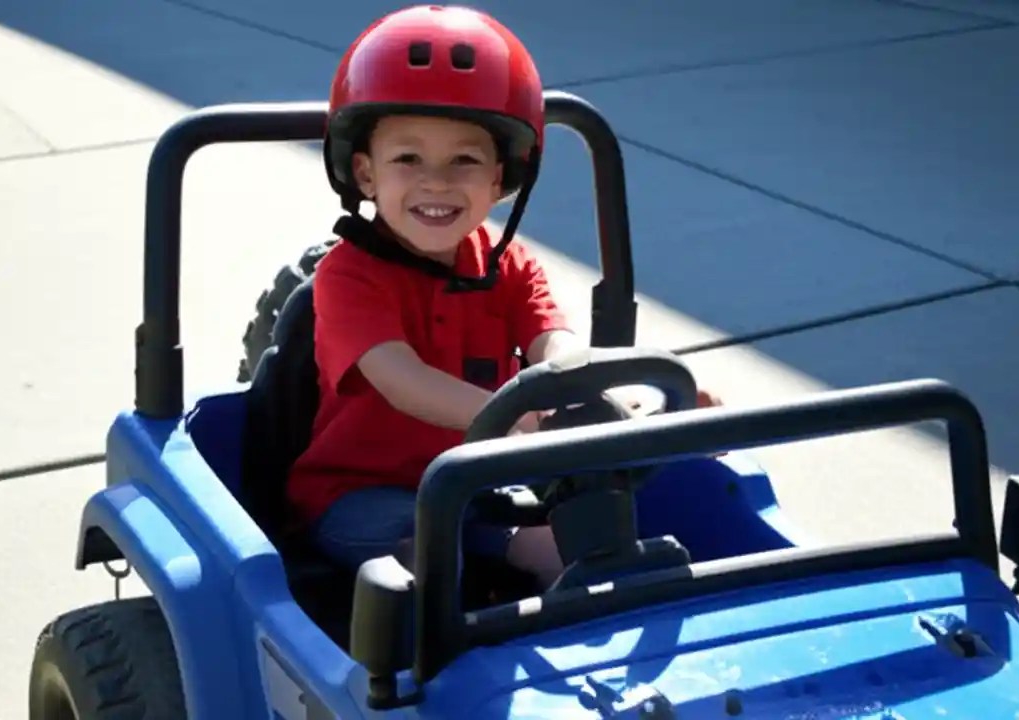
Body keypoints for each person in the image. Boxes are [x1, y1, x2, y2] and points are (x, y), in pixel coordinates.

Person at [286, 5, 719, 591]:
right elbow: (402, 379)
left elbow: (558, 352)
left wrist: (622, 407)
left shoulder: (508, 263)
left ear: (498, 180)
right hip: (363, 494)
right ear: (365, 175)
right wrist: (524, 421)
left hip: (486, 481)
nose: (436, 181)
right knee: (428, 555)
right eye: (407, 159)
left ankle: (616, 631)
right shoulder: (349, 276)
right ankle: (428, 672)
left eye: (463, 160)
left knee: (588, 534)